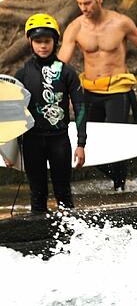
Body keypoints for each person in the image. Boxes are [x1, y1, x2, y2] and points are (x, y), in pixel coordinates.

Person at [58, 0, 137, 192]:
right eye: (79, 3)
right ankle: (120, 177)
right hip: (90, 91)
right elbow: (62, 62)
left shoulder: (121, 23)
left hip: (117, 90)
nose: (83, 8)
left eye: (87, 3)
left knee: (116, 140)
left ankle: (120, 186)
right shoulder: (76, 27)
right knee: (87, 142)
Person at [15, 13, 87, 214]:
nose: (43, 46)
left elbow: (80, 107)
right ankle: (41, 237)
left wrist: (81, 143)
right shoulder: (22, 75)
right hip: (32, 141)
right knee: (38, 194)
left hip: (59, 141)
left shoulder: (67, 72)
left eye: (47, 41)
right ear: (30, 42)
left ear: (55, 41)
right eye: (38, 41)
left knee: (63, 192)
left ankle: (70, 237)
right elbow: (11, 113)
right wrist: (8, 149)